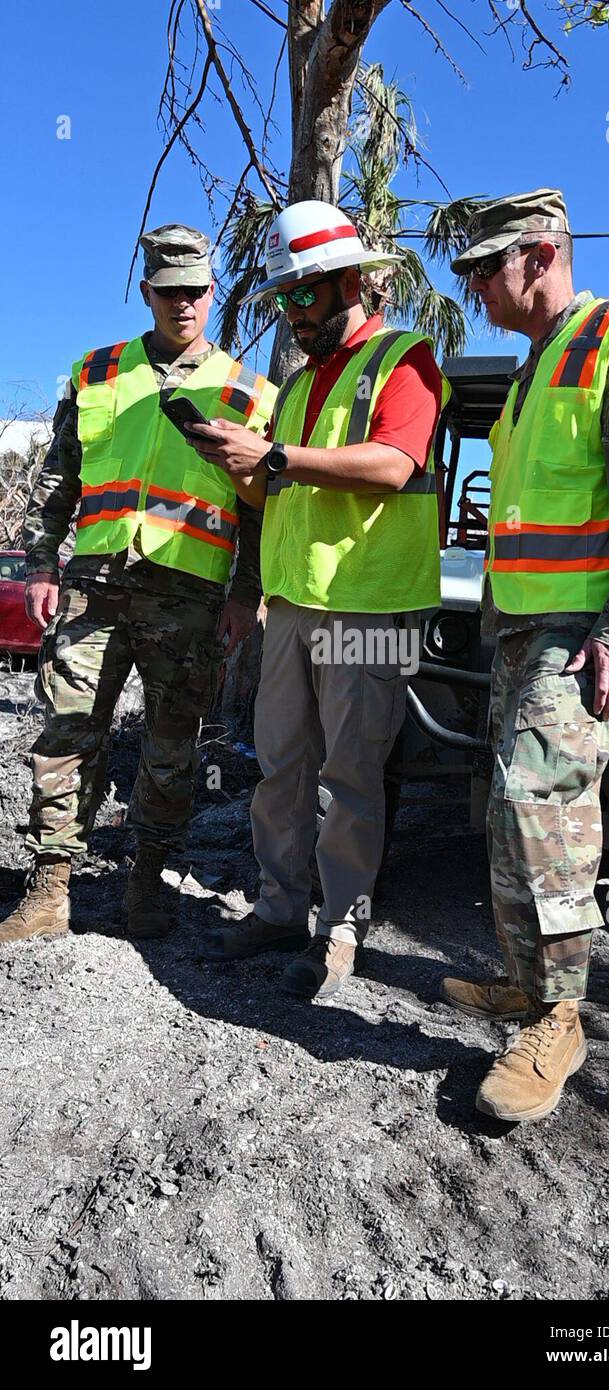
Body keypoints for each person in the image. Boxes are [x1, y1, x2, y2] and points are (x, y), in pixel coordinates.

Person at [442, 189, 609, 1122]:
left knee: (538, 807)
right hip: (518, 631)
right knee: (511, 814)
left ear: (539, 255)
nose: (470, 287)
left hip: (579, 632)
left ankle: (558, 1017)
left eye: (482, 268)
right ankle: (521, 980)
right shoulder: (529, 369)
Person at [194, 200, 449, 1000]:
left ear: (352, 282)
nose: (292, 313)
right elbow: (284, 492)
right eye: (283, 299)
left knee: (350, 777)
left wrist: (274, 456)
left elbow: (393, 464)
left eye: (304, 294)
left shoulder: (406, 359)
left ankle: (342, 927)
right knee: (280, 767)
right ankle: (278, 906)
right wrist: (239, 465)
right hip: (295, 605)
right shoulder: (299, 384)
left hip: (370, 607)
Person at [0, 225, 277, 945]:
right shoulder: (95, 372)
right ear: (147, 292)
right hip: (93, 583)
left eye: (196, 292)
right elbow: (59, 479)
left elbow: (261, 510)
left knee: (171, 743)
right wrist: (40, 566)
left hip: (189, 591)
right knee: (66, 730)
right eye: (169, 291)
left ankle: (147, 883)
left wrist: (246, 594)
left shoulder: (251, 391)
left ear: (212, 293)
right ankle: (51, 885)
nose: (183, 304)